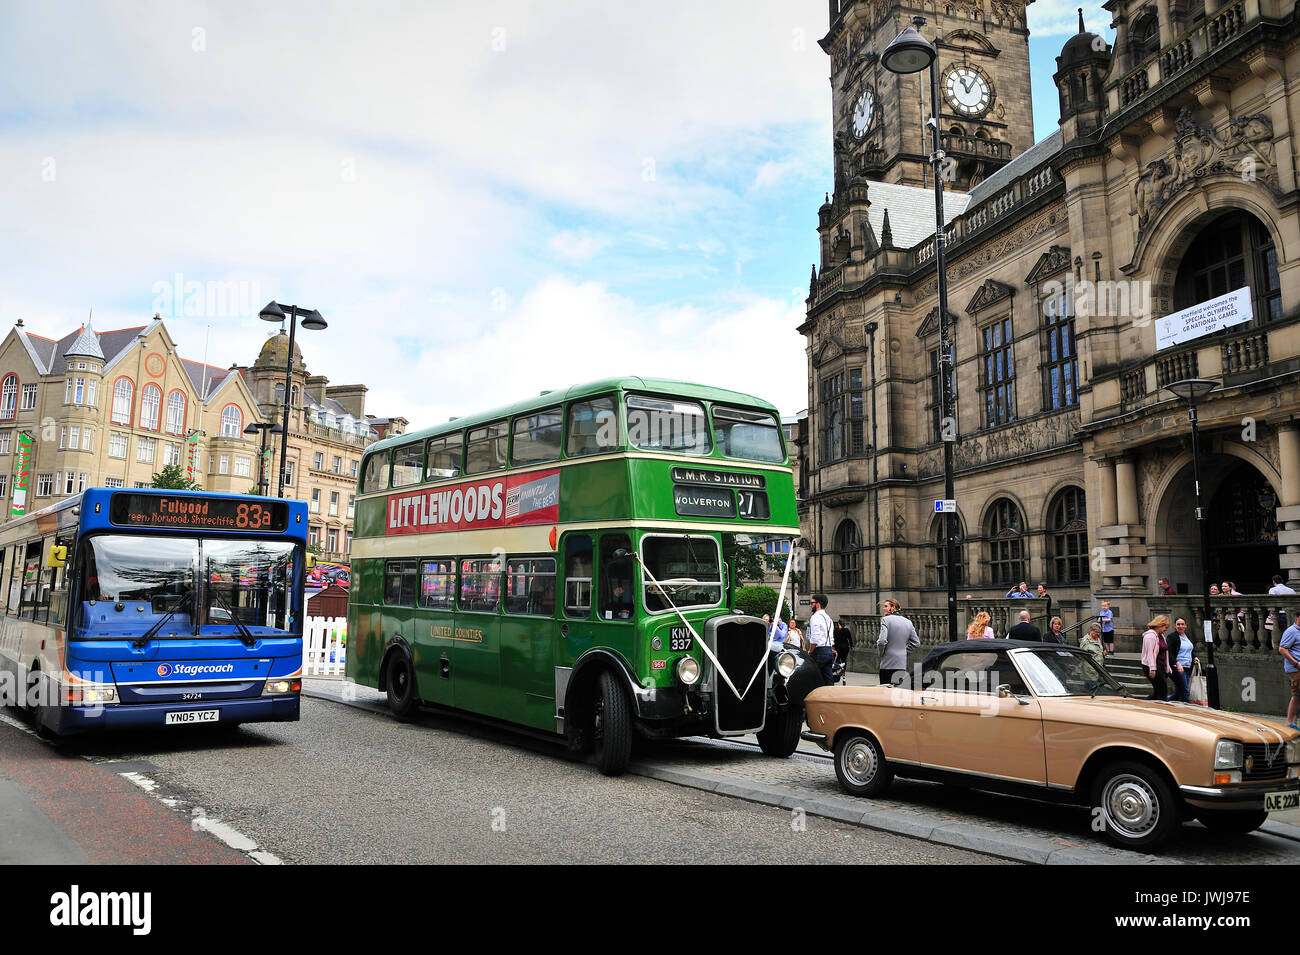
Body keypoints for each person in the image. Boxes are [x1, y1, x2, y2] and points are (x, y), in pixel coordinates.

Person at [877, 598, 920, 687]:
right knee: (898, 692)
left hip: (887, 663)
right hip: (901, 664)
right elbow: (916, 643)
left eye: (886, 606)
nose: (883, 609)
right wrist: (904, 652)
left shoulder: (886, 620)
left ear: (893, 607)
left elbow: (881, 641)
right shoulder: (908, 622)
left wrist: (881, 653)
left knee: (885, 692)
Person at [1141, 614, 1173, 701]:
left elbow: (1165, 651)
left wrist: (1167, 667)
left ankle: (1146, 704)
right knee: (1162, 691)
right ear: (1160, 625)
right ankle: (1158, 707)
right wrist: (1152, 668)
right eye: (1165, 627)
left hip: (1160, 666)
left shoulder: (1161, 636)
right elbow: (1150, 654)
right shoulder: (1150, 636)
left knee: (1158, 691)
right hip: (1152, 666)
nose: (1166, 629)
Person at [806, 594, 837, 684]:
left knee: (812, 678)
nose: (810, 605)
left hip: (819, 652)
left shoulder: (815, 617)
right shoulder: (829, 618)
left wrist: (810, 651)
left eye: (812, 603)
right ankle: (829, 696)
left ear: (818, 604)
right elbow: (831, 637)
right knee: (828, 680)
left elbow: (815, 638)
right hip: (828, 650)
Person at [1168, 617, 1198, 703]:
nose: (1180, 626)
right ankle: (1187, 710)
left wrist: (1194, 657)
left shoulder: (1187, 636)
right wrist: (1177, 664)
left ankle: (1165, 703)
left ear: (1185, 626)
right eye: (1178, 624)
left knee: (1179, 692)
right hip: (1178, 667)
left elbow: (1189, 650)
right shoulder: (1172, 637)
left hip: (1188, 666)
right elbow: (1169, 653)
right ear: (1175, 626)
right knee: (1185, 691)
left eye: (1182, 624)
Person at [1280, 610, 1300, 729]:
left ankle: (1292, 721)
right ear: (1297, 617)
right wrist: (1296, 663)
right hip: (1295, 669)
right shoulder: (1291, 631)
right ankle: (1289, 722)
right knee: (1296, 695)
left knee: (1297, 695)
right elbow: (1282, 649)